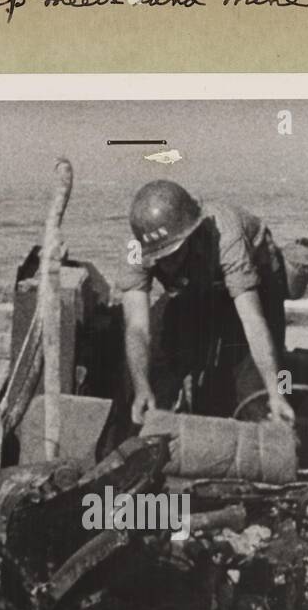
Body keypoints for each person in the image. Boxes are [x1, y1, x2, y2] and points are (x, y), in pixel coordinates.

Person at [115, 179, 296, 427]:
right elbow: (137, 327)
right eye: (159, 258)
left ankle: (284, 400)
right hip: (198, 283)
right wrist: (141, 387)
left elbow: (253, 320)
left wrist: (276, 393)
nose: (166, 265)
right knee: (151, 366)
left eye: (172, 255)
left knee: (259, 390)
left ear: (191, 236)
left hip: (257, 283)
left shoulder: (227, 235)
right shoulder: (136, 247)